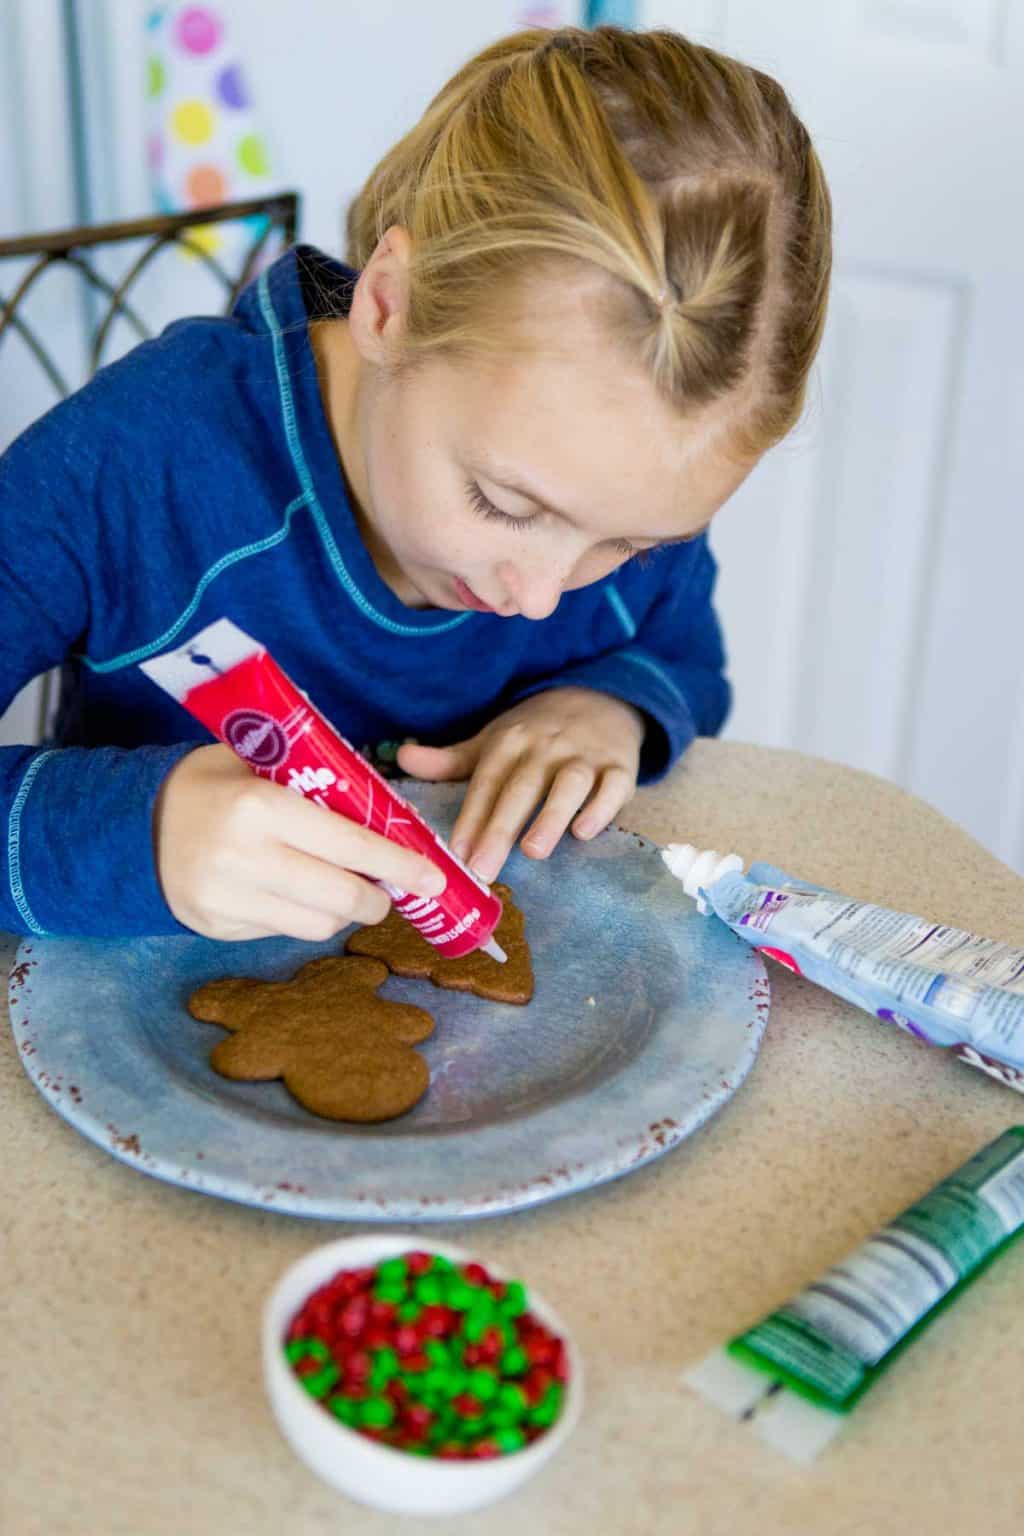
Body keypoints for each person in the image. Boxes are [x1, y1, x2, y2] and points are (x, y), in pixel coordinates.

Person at [0, 26, 831, 942]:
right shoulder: (130, 465)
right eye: (504, 505)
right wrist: (133, 836)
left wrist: (612, 707)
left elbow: (684, 662)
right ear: (387, 304)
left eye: (631, 546)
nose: (541, 595)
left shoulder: (622, 482)